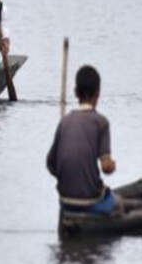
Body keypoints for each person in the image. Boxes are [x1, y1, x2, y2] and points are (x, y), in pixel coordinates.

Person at [46, 65, 119, 215]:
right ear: (98, 93)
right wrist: (112, 165)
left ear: (75, 93)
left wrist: (67, 177)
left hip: (65, 201)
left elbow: (51, 164)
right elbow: (106, 168)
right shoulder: (101, 122)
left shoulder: (65, 121)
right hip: (91, 201)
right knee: (118, 205)